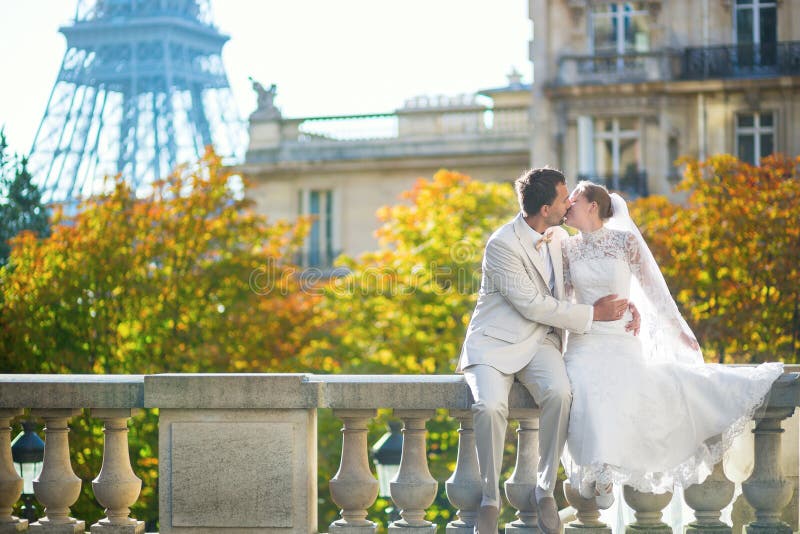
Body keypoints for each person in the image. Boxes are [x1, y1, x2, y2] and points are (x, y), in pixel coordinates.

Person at [559, 180, 783, 509]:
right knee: (584, 383)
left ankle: (606, 468)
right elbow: (563, 300)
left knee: (623, 381)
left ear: (592, 205)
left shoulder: (625, 242)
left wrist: (677, 331)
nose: (566, 205)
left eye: (573, 200)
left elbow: (653, 292)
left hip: (621, 339)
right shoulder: (567, 248)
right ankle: (598, 465)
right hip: (583, 340)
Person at [457, 168, 639, 534]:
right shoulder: (501, 244)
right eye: (562, 198)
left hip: (542, 341)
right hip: (494, 343)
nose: (569, 202)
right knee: (489, 406)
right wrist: (593, 315)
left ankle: (544, 490)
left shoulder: (558, 236)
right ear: (544, 208)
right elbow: (532, 305)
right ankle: (490, 500)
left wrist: (628, 307)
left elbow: (596, 273)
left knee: (560, 393)